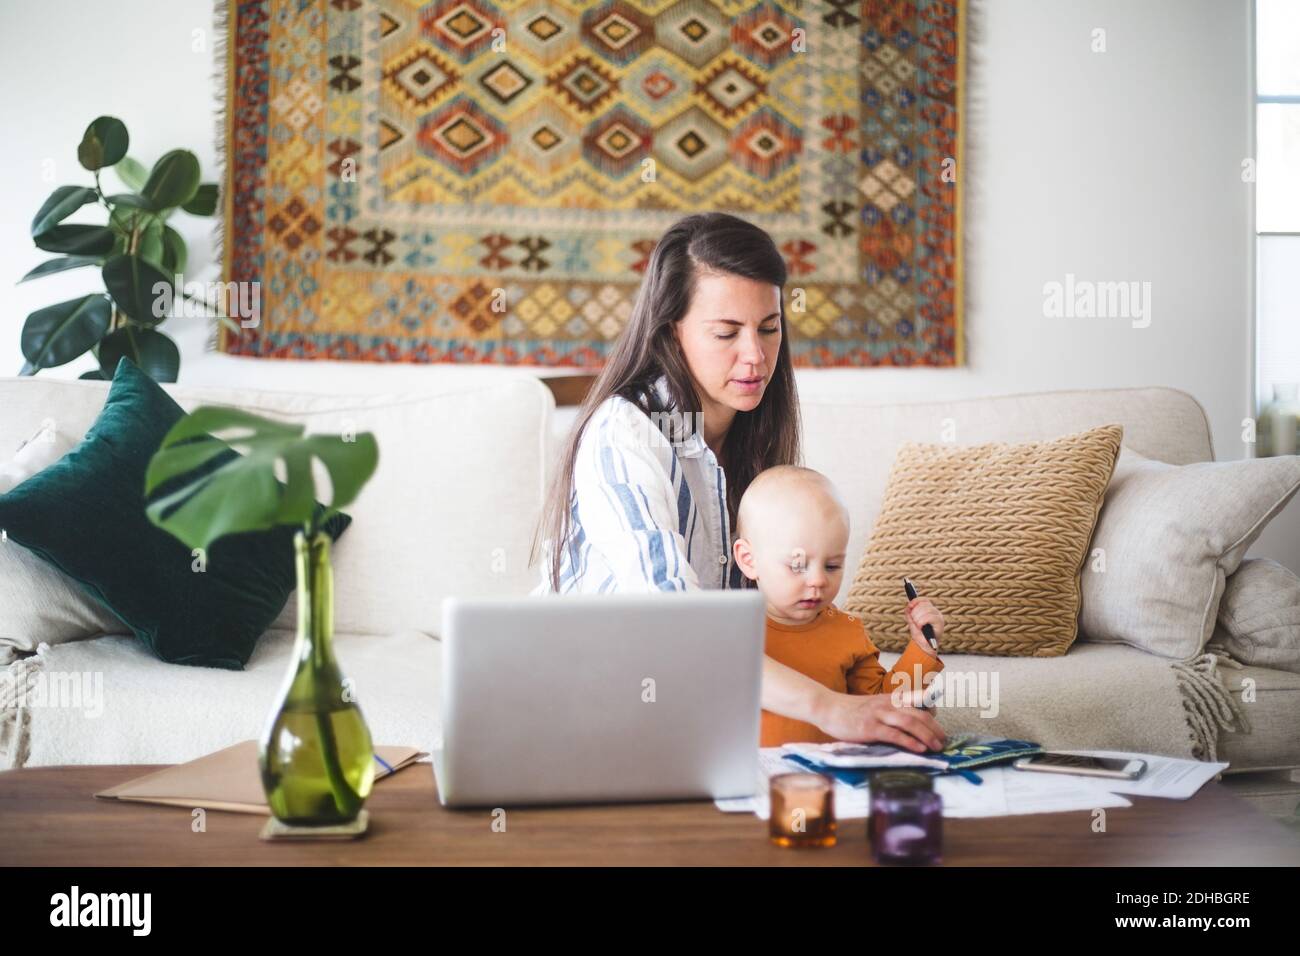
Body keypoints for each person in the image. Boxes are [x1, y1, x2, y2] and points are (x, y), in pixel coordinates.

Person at [528, 211, 946, 753]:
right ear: (670, 331)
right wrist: (830, 708)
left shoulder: (756, 434)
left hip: (701, 696)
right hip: (592, 693)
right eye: (726, 332)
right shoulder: (623, 433)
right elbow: (676, 625)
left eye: (769, 329)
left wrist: (887, 697)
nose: (756, 355)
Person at [732, 464, 946, 747]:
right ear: (749, 560)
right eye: (797, 565)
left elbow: (883, 704)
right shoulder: (732, 630)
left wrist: (922, 649)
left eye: (833, 565)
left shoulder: (847, 631)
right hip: (758, 780)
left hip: (835, 777)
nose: (819, 580)